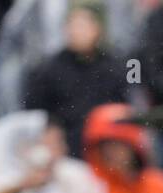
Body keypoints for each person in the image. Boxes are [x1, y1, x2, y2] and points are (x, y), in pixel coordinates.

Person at [21, 0, 128, 158]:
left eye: (84, 26)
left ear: (98, 29)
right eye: (73, 25)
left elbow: (124, 105)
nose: (77, 32)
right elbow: (35, 114)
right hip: (64, 148)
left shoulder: (116, 66)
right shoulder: (48, 69)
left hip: (105, 146)